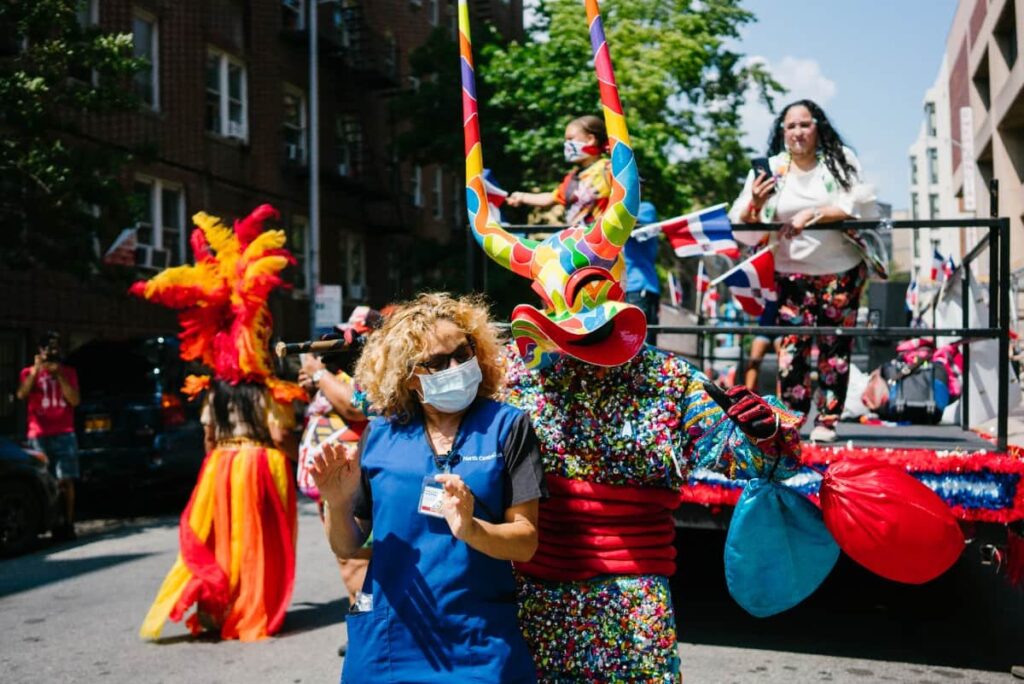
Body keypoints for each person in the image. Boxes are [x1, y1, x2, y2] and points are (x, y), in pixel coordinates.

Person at [458, 3, 803, 679]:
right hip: (540, 601)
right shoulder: (520, 384)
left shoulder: (666, 380)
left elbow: (762, 466)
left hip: (636, 605)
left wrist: (765, 432)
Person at [311, 292, 547, 683]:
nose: (455, 367)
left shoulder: (507, 426)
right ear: (406, 374)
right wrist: (336, 504)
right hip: (388, 641)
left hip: (476, 642)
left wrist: (472, 528)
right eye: (436, 363)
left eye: (463, 352)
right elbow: (348, 545)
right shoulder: (380, 435)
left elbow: (526, 540)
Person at [136, 204, 307, 642]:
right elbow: (280, 434)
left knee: (219, 539)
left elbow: (209, 437)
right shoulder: (268, 391)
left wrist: (215, 468)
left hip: (220, 468)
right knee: (258, 545)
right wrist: (299, 459)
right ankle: (252, 609)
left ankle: (217, 608)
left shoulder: (214, 390)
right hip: (259, 467)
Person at [730, 99, 876, 443]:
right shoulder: (769, 169)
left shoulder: (840, 160)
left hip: (839, 271)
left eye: (804, 124)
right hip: (789, 274)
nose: (797, 132)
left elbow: (855, 204)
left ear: (818, 127)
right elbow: (743, 226)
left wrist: (810, 215)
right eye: (790, 126)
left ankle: (827, 421)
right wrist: (756, 204)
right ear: (782, 132)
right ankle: (791, 420)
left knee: (834, 347)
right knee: (792, 348)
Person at [17, 330, 80, 540]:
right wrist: (36, 371)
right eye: (48, 349)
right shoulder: (28, 372)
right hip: (39, 433)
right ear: (40, 351)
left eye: (55, 349)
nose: (51, 353)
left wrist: (59, 375)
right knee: (44, 480)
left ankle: (68, 523)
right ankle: (49, 523)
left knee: (66, 480)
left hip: (64, 431)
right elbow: (22, 394)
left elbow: (75, 400)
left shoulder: (68, 372)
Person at [507, 114, 611, 228]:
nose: (566, 145)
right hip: (577, 240)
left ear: (590, 139)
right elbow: (551, 198)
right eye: (566, 140)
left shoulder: (608, 168)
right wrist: (521, 196)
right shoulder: (573, 177)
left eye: (571, 139)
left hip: (603, 239)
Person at [624, 199, 662, 344]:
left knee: (640, 345)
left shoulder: (645, 208)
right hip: (627, 289)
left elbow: (630, 223)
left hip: (640, 287)